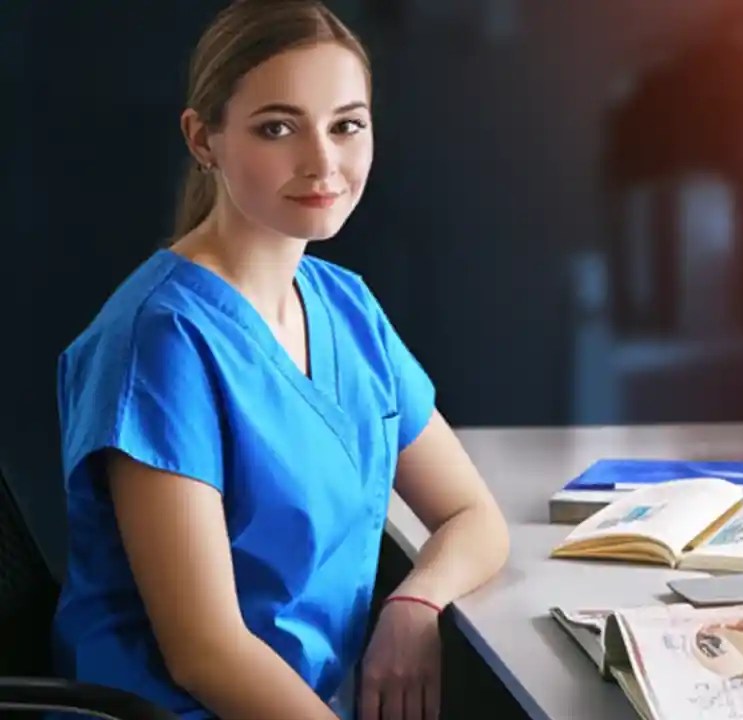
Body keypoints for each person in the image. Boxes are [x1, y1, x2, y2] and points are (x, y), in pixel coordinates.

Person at [50, 2, 510, 718]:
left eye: (346, 125)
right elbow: (207, 653)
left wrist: (414, 602)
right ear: (204, 140)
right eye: (277, 128)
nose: (323, 162)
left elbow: (473, 516)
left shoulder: (345, 305)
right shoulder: (162, 340)